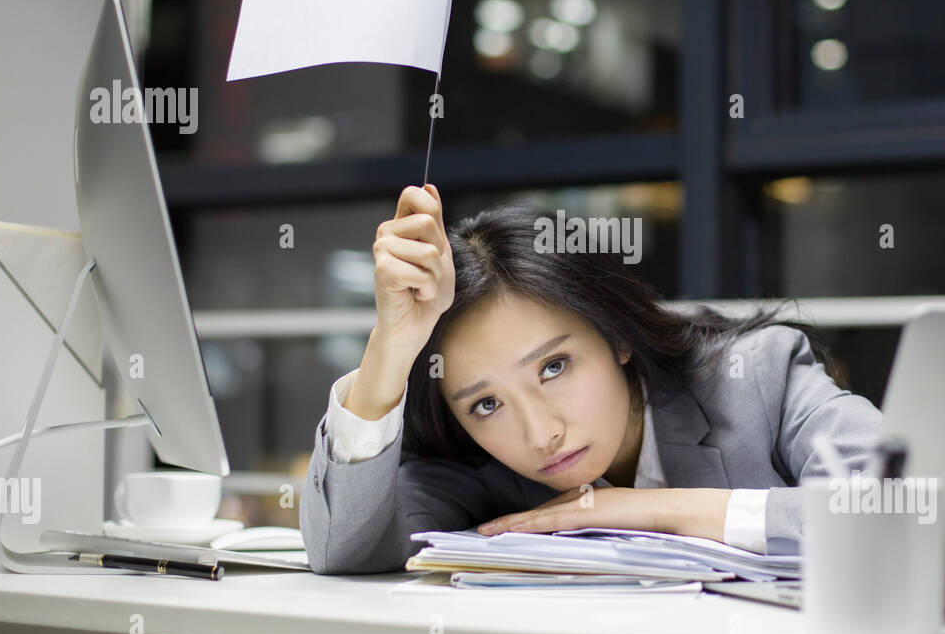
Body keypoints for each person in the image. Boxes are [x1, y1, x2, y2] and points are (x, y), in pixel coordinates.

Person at [300, 184, 884, 574]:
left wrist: (651, 510)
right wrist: (390, 351)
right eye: (485, 404)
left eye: (553, 367)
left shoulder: (759, 377)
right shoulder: (485, 471)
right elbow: (342, 550)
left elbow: (898, 508)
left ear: (617, 334)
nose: (540, 433)